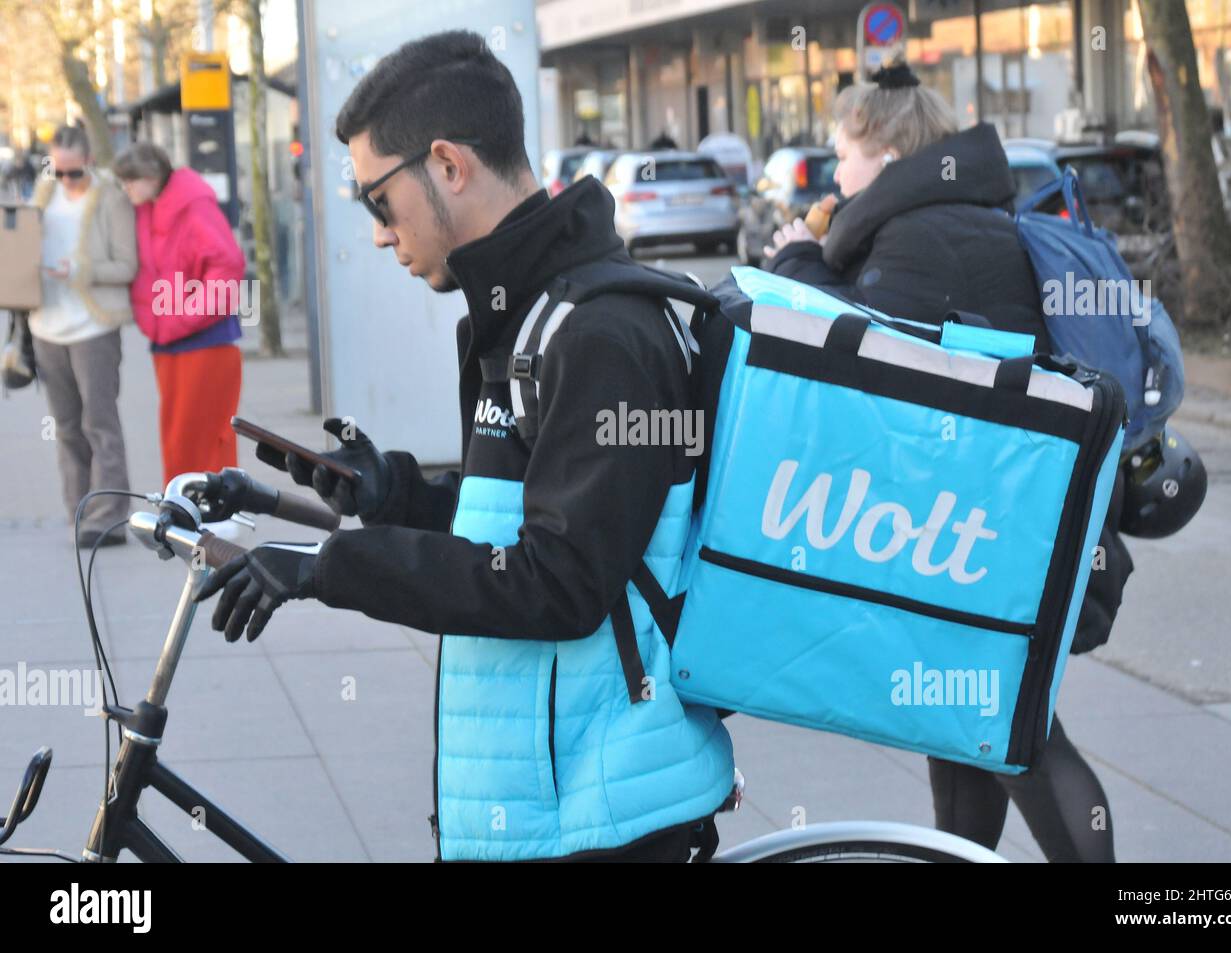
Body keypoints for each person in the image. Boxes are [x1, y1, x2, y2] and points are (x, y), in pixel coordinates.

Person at [192, 30, 735, 863]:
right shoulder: (523, 313)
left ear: (446, 165)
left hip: (600, 821)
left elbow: (558, 585)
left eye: (379, 201)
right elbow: (531, 521)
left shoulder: (601, 334)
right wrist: (393, 495)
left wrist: (330, 567)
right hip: (536, 800)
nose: (380, 234)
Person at [765, 64, 1126, 863]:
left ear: (887, 152)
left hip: (972, 535)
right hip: (982, 528)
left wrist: (798, 266)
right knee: (965, 724)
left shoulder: (916, 233)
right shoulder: (957, 219)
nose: (835, 172)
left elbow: (878, 365)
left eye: (842, 152)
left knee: (1016, 733)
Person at [29, 124, 137, 548]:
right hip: (46, 325)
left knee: (100, 422)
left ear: (90, 162)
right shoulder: (44, 191)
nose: (65, 181)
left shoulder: (110, 198)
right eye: (58, 172)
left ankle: (109, 515)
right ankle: (79, 510)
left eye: (74, 173)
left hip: (94, 325)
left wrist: (78, 271)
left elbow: (126, 265)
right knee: (66, 426)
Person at [113, 142, 245, 484]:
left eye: (130, 181)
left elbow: (228, 265)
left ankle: (208, 515)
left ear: (151, 177)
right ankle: (184, 515)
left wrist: (182, 316)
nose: (126, 189)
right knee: (178, 437)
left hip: (205, 340)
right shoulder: (147, 208)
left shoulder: (193, 206)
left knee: (201, 435)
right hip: (169, 341)